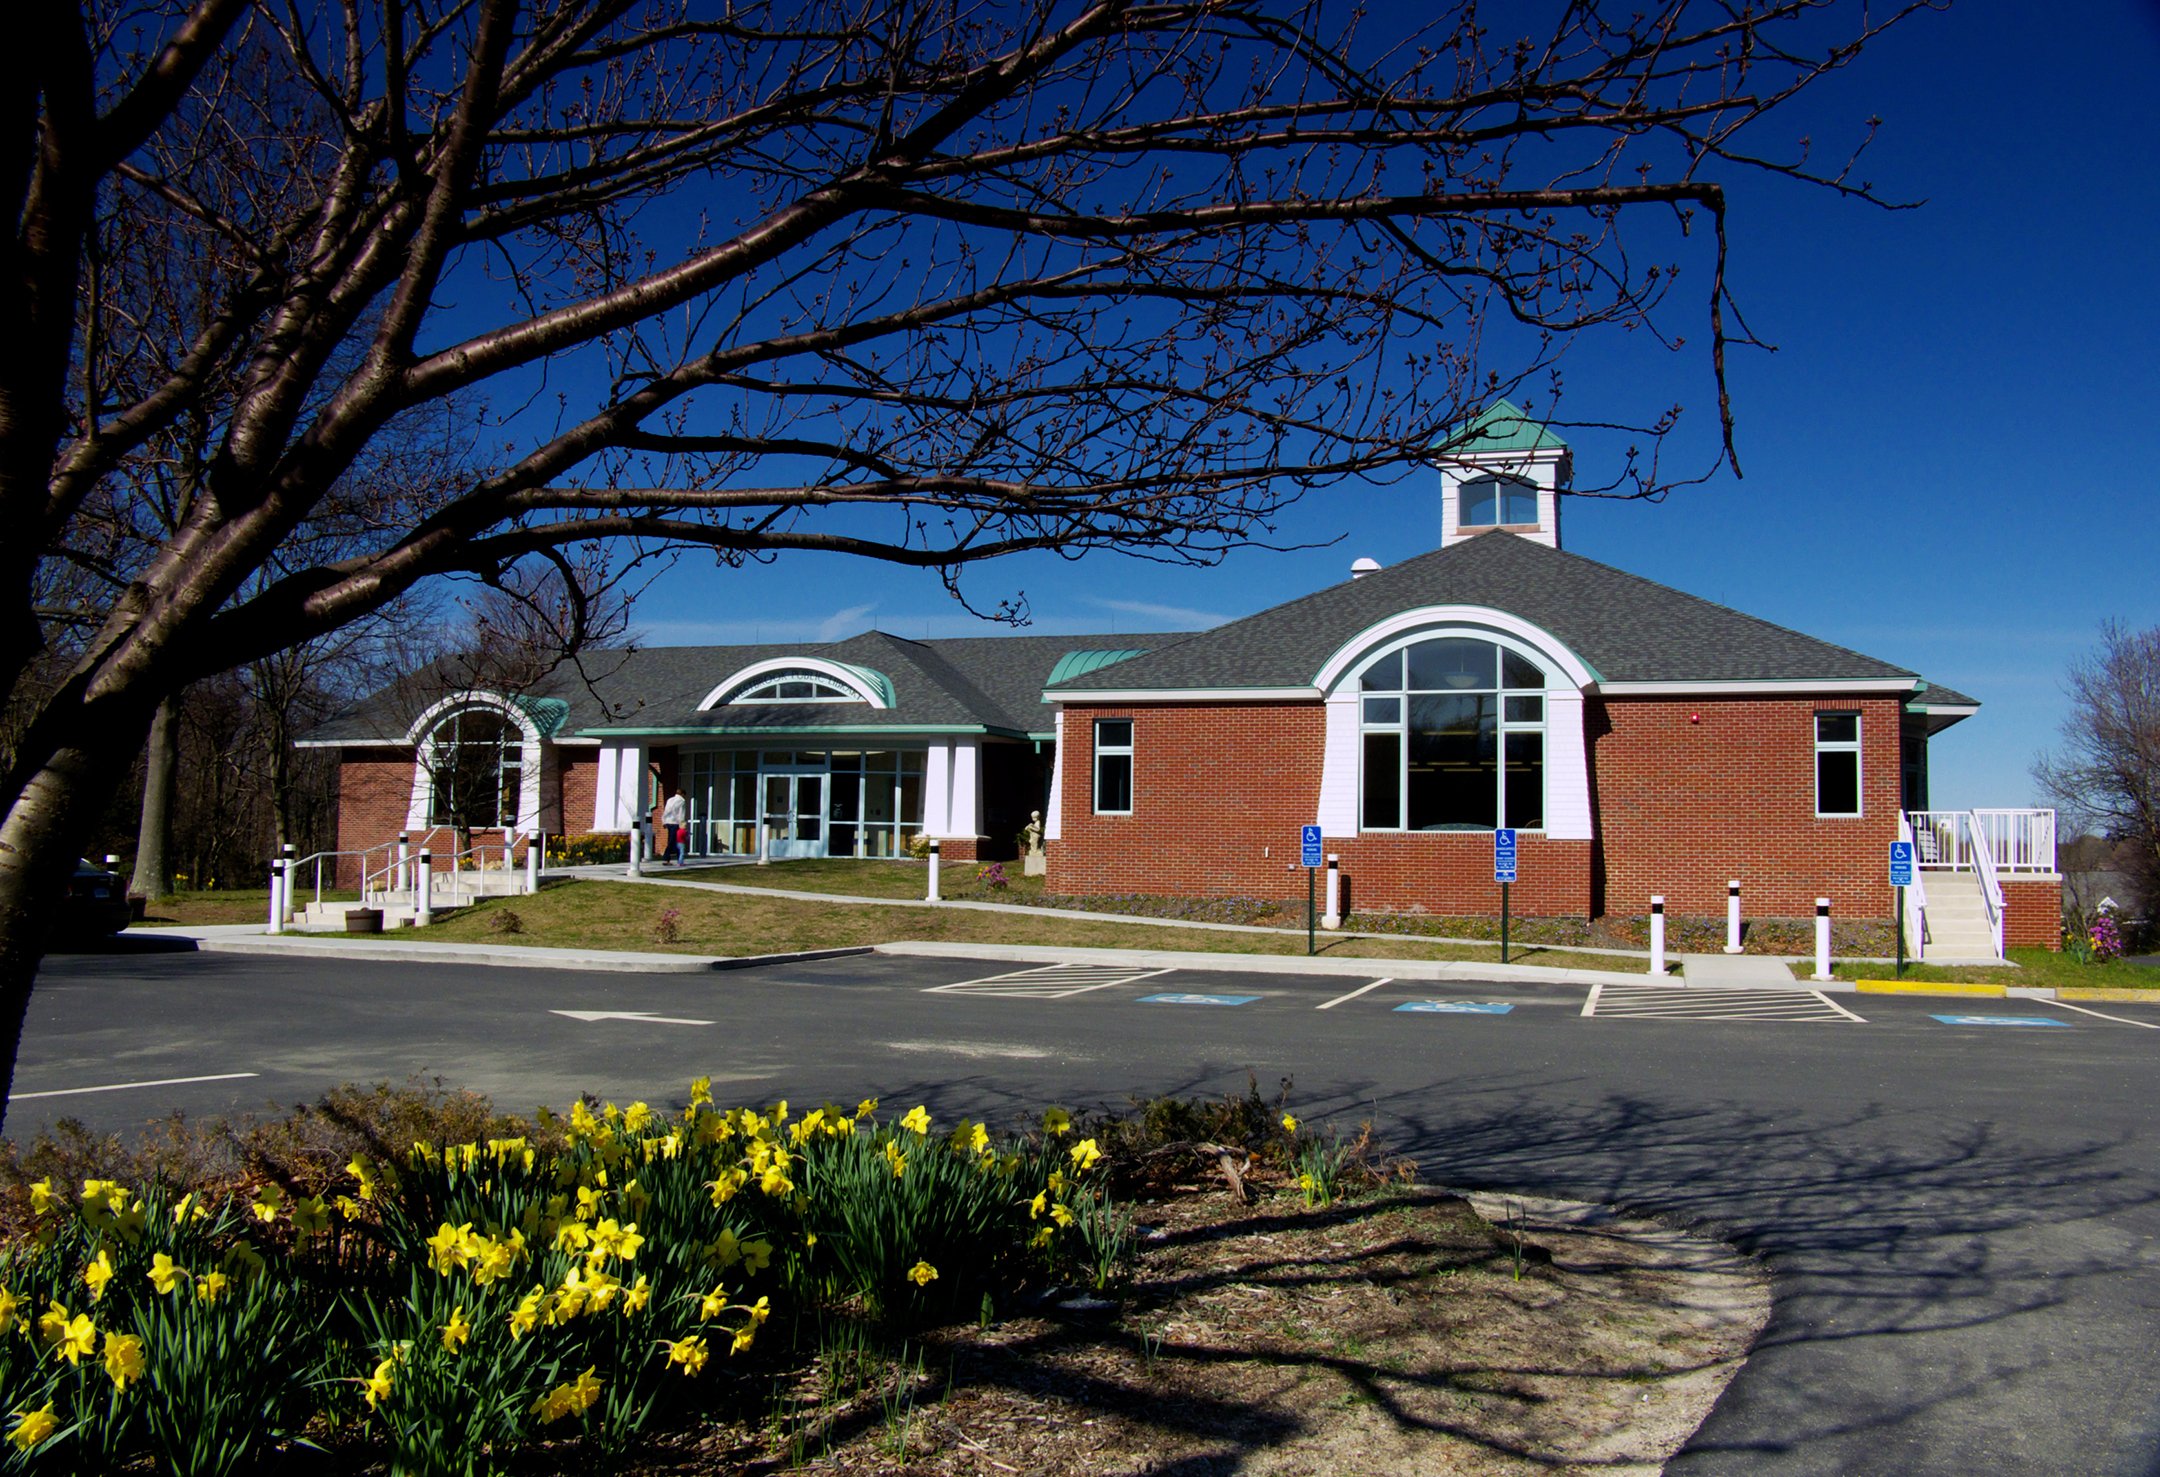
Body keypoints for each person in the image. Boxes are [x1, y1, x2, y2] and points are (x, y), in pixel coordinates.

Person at [661, 788, 688, 865]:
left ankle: (673, 859)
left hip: (668, 822)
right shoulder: (682, 801)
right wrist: (682, 824)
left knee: (672, 840)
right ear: (682, 794)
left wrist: (664, 821)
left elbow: (666, 811)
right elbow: (681, 814)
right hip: (676, 823)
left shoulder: (670, 800)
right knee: (676, 841)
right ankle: (669, 858)